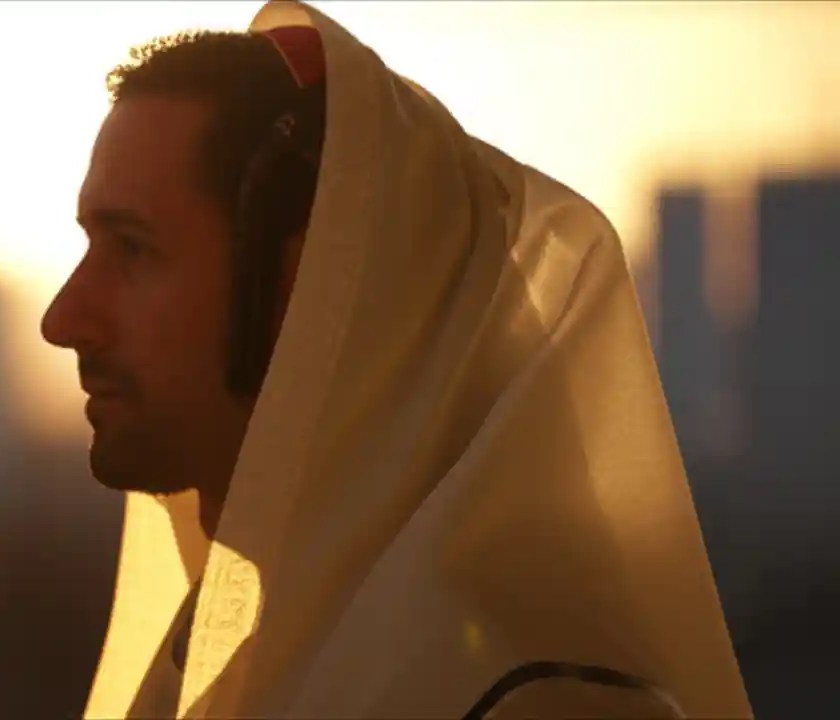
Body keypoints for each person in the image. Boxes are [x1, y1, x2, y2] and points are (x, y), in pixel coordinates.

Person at [40, 2, 752, 718]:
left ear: (313, 284)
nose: (63, 319)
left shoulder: (524, 700)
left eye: (132, 248)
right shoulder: (218, 665)